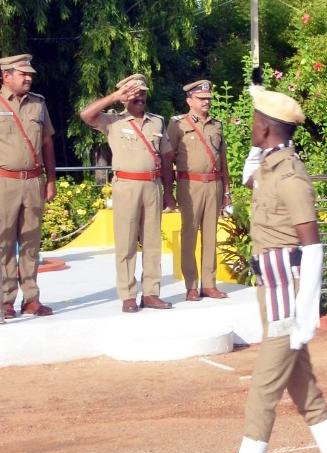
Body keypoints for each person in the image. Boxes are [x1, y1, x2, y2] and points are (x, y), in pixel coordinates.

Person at [191, 87, 327, 453]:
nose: (249, 124)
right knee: (305, 391)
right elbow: (249, 173)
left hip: (289, 292)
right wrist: (258, 142)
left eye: (253, 120)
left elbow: (314, 248)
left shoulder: (290, 176)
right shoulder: (269, 165)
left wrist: (308, 314)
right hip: (273, 286)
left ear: (266, 126)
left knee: (263, 393)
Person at [79, 74, 174, 313]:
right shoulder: (112, 121)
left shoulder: (157, 122)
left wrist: (168, 192)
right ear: (124, 97)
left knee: (152, 242)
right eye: (133, 93)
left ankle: (151, 293)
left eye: (142, 92)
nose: (139, 96)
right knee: (126, 242)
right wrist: (113, 97)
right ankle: (128, 295)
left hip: (152, 186)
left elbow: (166, 157)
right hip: (126, 186)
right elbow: (85, 115)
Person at [0, 53, 56, 318]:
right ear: (6, 76)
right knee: (3, 242)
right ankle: (6, 299)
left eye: (30, 74)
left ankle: (31, 299)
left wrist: (52, 179)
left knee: (31, 240)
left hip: (34, 181)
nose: (28, 78)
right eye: (23, 74)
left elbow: (47, 144)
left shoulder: (38, 105)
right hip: (4, 182)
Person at [168, 80, 231, 301]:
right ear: (189, 100)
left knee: (210, 236)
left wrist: (227, 189)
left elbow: (222, 159)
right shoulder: (177, 125)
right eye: (201, 99)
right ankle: (191, 285)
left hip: (214, 184)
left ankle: (209, 284)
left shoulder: (217, 125)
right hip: (189, 185)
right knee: (189, 234)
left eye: (208, 99)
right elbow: (168, 158)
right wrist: (169, 191)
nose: (206, 102)